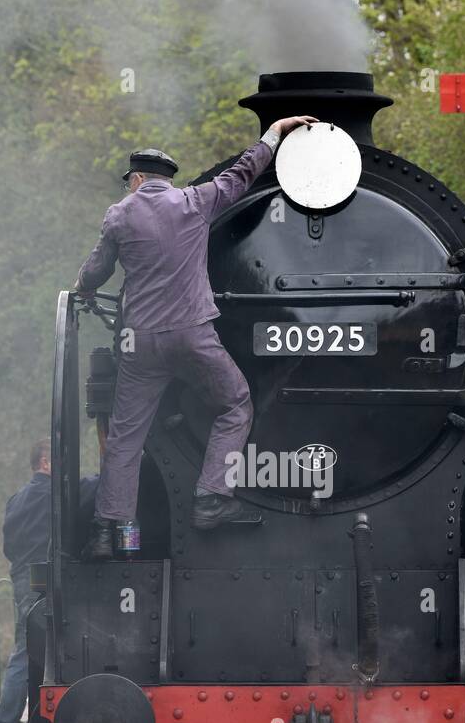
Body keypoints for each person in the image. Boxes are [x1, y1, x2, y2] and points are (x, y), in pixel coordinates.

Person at [74, 115, 318, 560]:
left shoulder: (118, 215)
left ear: (139, 179)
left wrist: (85, 291)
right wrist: (274, 134)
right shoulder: (194, 201)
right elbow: (244, 172)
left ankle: (105, 532)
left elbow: (94, 271)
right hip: (192, 335)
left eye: (131, 180)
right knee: (235, 401)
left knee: (127, 435)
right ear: (166, 180)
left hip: (140, 344)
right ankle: (210, 498)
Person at [0, 439, 97, 723]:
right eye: (59, 459)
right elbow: (92, 486)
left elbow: (8, 546)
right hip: (48, 573)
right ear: (45, 463)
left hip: (24, 575)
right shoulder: (55, 493)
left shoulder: (17, 499)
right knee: (40, 647)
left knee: (26, 645)